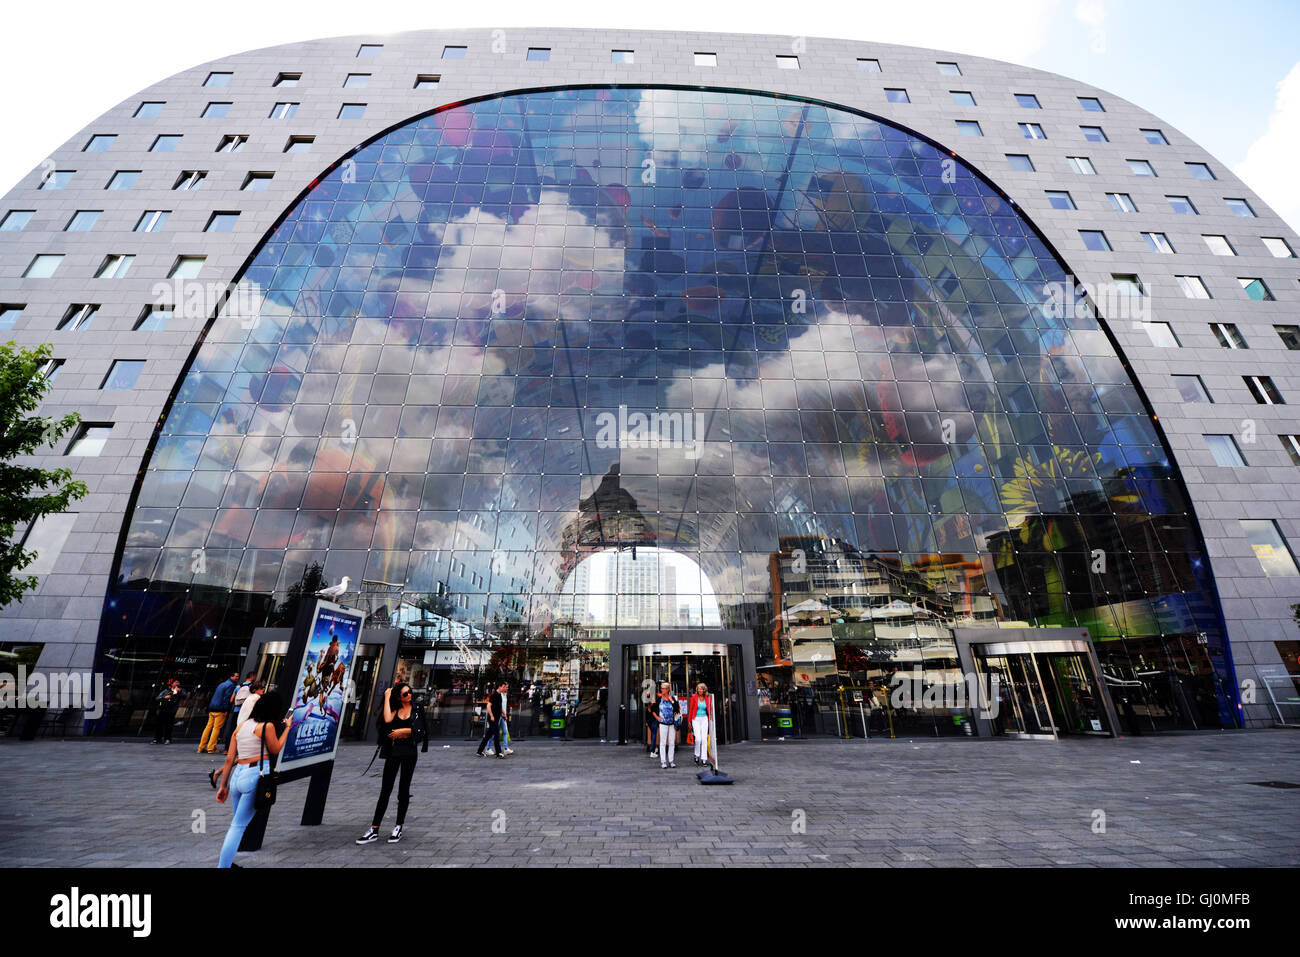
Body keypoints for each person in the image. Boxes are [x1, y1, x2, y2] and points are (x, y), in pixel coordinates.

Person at [214, 691, 292, 868]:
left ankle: (227, 863)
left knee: (237, 824)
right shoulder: (267, 727)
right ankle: (223, 866)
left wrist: (223, 786)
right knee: (238, 827)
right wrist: (287, 727)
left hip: (237, 776)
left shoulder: (241, 726)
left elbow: (229, 759)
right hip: (253, 774)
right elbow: (275, 749)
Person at [356, 681, 425, 844]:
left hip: (410, 752)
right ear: (398, 697)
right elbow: (387, 719)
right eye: (405, 694)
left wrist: (404, 731)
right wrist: (387, 697)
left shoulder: (417, 708)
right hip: (394, 751)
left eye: (410, 692)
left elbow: (420, 730)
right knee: (385, 789)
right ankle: (374, 828)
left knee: (404, 789)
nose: (409, 696)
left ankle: (398, 827)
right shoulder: (395, 708)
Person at [198, 670, 240, 754]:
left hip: (212, 708)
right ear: (231, 677)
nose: (237, 678)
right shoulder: (231, 685)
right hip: (220, 709)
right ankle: (211, 748)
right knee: (216, 728)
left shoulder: (222, 684)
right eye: (236, 676)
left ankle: (201, 747)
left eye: (237, 676)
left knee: (208, 727)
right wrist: (226, 709)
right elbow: (227, 699)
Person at [219, 672, 256, 750]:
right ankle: (238, 749)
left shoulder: (238, 686)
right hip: (245, 712)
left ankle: (227, 748)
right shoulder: (252, 687)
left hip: (236, 710)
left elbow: (231, 699)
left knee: (232, 729)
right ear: (252, 677)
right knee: (243, 729)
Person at [475, 681, 508, 759]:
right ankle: (498, 753)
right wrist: (492, 716)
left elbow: (500, 707)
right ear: (499, 687)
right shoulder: (494, 695)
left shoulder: (500, 695)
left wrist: (504, 714)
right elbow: (488, 706)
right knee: (496, 735)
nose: (505, 688)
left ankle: (479, 751)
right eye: (504, 687)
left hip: (496, 718)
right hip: (493, 719)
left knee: (488, 736)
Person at [687, 683, 713, 767]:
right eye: (698, 689)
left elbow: (710, 708)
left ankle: (704, 759)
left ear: (704, 689)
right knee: (698, 739)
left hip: (704, 719)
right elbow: (690, 709)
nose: (700, 690)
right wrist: (689, 721)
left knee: (704, 739)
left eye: (701, 689)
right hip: (696, 719)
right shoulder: (694, 697)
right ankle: (696, 755)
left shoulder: (707, 697)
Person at [655, 682, 680, 769]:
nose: (662, 690)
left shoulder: (672, 698)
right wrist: (657, 717)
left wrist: (672, 701)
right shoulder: (659, 699)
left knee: (671, 742)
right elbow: (653, 709)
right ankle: (663, 761)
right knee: (662, 742)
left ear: (668, 689)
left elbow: (677, 708)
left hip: (672, 723)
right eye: (661, 688)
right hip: (663, 723)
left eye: (664, 688)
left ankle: (671, 760)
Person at [152, 679, 182, 744]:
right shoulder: (165, 691)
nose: (177, 683)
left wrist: (179, 691)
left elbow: (184, 696)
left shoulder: (180, 691)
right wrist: (165, 698)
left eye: (178, 682)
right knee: (159, 725)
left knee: (169, 726)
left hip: (171, 711)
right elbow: (157, 698)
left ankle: (167, 739)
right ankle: (157, 739)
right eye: (176, 682)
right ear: (172, 684)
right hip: (162, 710)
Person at [644, 693, 659, 758]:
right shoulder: (654, 705)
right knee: (653, 735)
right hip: (654, 721)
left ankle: (654, 748)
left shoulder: (648, 706)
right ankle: (652, 751)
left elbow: (646, 715)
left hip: (650, 722)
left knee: (652, 735)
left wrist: (646, 722)